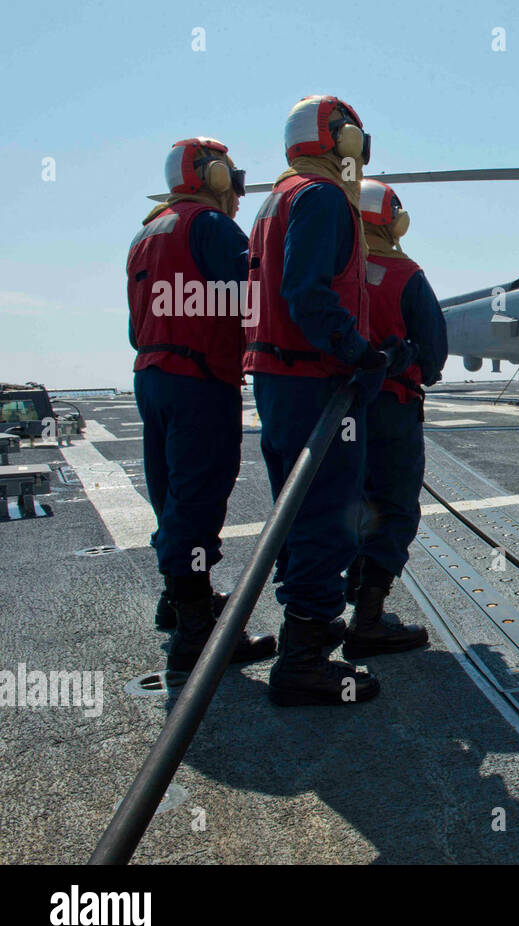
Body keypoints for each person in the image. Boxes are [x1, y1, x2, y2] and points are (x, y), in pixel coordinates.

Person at [245, 95, 391, 706]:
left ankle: (299, 641)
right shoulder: (325, 197)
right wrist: (358, 351)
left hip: (279, 381)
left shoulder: (272, 202)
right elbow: (307, 294)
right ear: (339, 139)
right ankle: (305, 661)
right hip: (315, 382)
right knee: (329, 516)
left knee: (297, 512)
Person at [127, 137, 275, 671]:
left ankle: (178, 597)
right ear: (213, 177)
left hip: (153, 376)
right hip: (200, 378)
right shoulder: (209, 226)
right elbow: (252, 295)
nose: (236, 193)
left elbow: (133, 328)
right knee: (199, 494)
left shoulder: (148, 232)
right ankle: (196, 631)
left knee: (170, 490)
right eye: (233, 180)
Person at [342, 179, 448, 654]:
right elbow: (434, 358)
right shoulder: (407, 274)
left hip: (335, 408)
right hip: (393, 408)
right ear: (394, 221)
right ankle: (367, 619)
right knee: (396, 506)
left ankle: (318, 614)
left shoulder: (333, 271)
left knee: (337, 501)